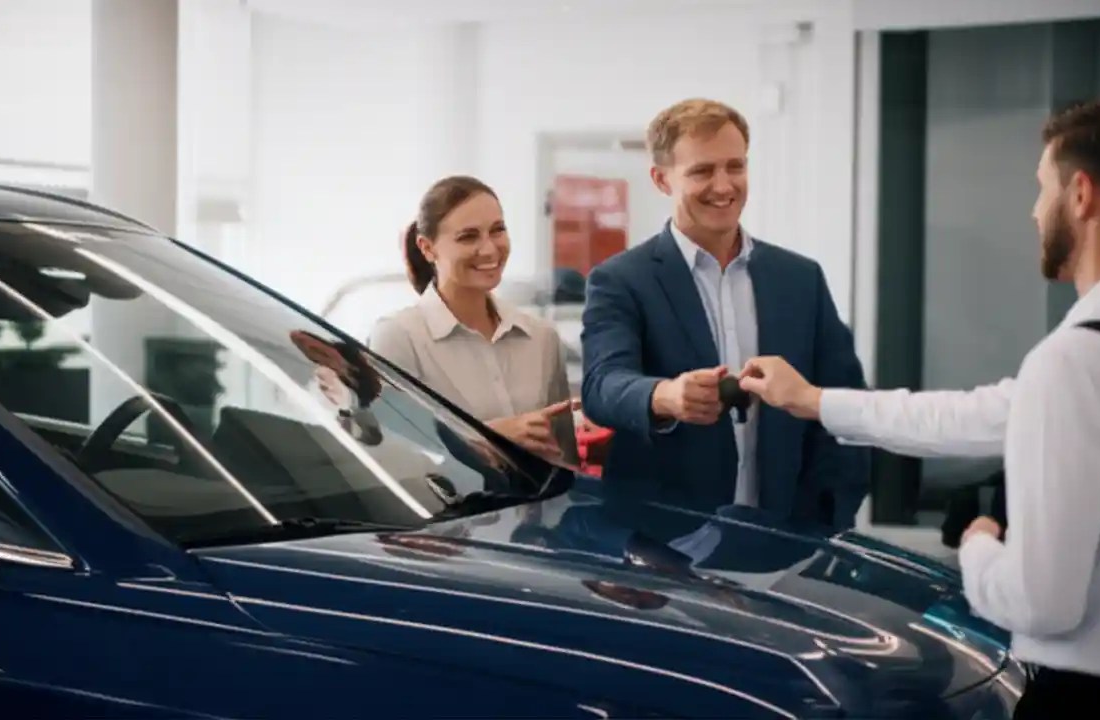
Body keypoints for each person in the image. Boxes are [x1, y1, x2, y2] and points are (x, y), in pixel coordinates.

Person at [736, 94, 1100, 716]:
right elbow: (975, 415)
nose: (1035, 212)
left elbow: (1039, 604)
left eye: (1042, 188)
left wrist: (978, 544)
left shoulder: (1077, 362)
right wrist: (815, 400)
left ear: (1081, 195)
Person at [578, 97, 870, 528]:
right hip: (664, 543)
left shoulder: (799, 279)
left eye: (735, 166)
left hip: (786, 537)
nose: (724, 185)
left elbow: (843, 400)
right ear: (661, 180)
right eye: (702, 171)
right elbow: (602, 387)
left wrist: (827, 515)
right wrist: (665, 396)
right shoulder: (620, 280)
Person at [364, 175, 579, 466]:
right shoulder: (398, 337)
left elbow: (564, 461)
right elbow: (392, 457)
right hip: (455, 510)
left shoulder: (541, 338)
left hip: (539, 510)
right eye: (468, 237)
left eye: (497, 230)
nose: (490, 249)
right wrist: (483, 437)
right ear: (427, 248)